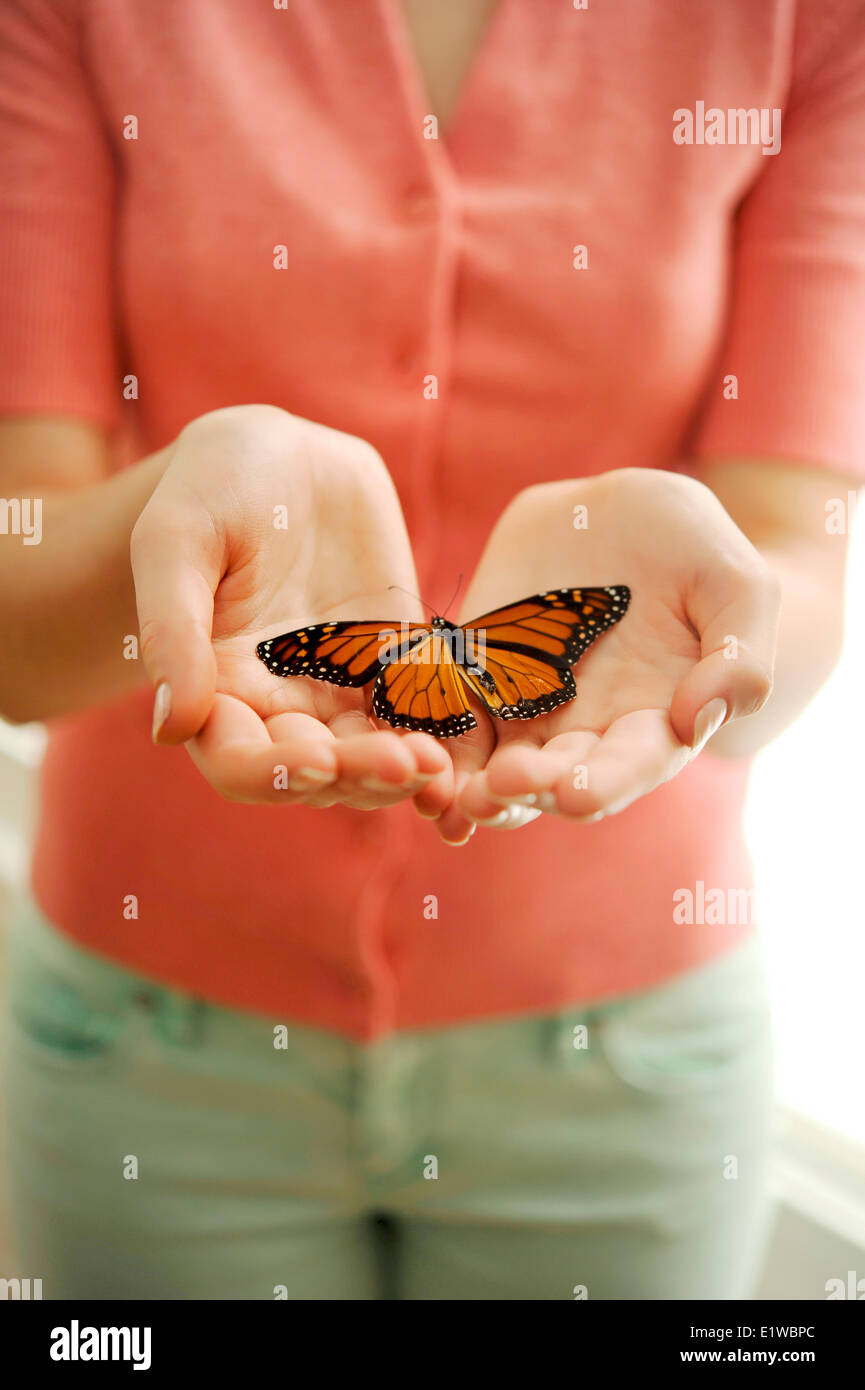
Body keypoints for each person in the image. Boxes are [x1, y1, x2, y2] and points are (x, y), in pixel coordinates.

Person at [0, 0, 861, 1300]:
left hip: (623, 1058)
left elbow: (796, 565)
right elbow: (14, 607)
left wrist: (719, 612)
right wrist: (175, 508)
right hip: (140, 1036)